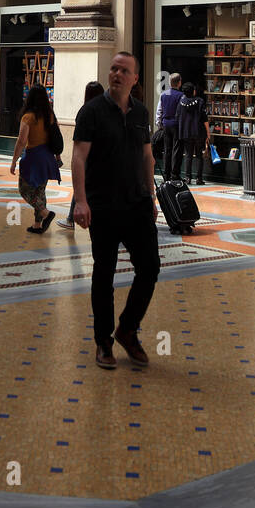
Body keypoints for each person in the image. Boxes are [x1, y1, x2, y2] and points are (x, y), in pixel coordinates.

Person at [72, 52, 159, 370]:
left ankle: (127, 329)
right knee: (104, 273)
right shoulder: (91, 112)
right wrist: (81, 201)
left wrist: (151, 196)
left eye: (124, 70)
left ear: (135, 78)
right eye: (113, 69)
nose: (117, 74)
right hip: (104, 204)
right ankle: (103, 342)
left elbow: (147, 157)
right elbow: (79, 157)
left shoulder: (141, 113)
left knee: (150, 268)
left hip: (136, 203)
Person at [10, 83, 61, 234]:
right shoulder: (50, 115)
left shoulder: (28, 117)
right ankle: (37, 225)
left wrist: (14, 161)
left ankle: (46, 214)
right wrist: (57, 157)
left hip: (33, 158)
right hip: (47, 157)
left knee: (25, 189)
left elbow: (21, 141)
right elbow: (56, 137)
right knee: (40, 191)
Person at [58, 80, 105, 229]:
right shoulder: (107, 111)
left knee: (81, 187)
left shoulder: (84, 112)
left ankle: (71, 218)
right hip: (103, 157)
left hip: (88, 157)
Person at [175, 82, 209, 185]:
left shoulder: (181, 102)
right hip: (198, 131)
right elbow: (204, 118)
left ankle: (188, 177)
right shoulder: (199, 101)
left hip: (185, 132)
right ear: (193, 91)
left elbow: (177, 117)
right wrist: (208, 132)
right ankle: (199, 178)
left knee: (188, 155)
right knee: (199, 155)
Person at [156, 72, 183, 180]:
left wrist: (159, 124)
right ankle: (174, 174)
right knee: (176, 150)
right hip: (176, 124)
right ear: (179, 82)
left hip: (166, 124)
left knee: (167, 149)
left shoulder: (164, 94)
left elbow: (159, 110)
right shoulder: (181, 96)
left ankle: (166, 174)